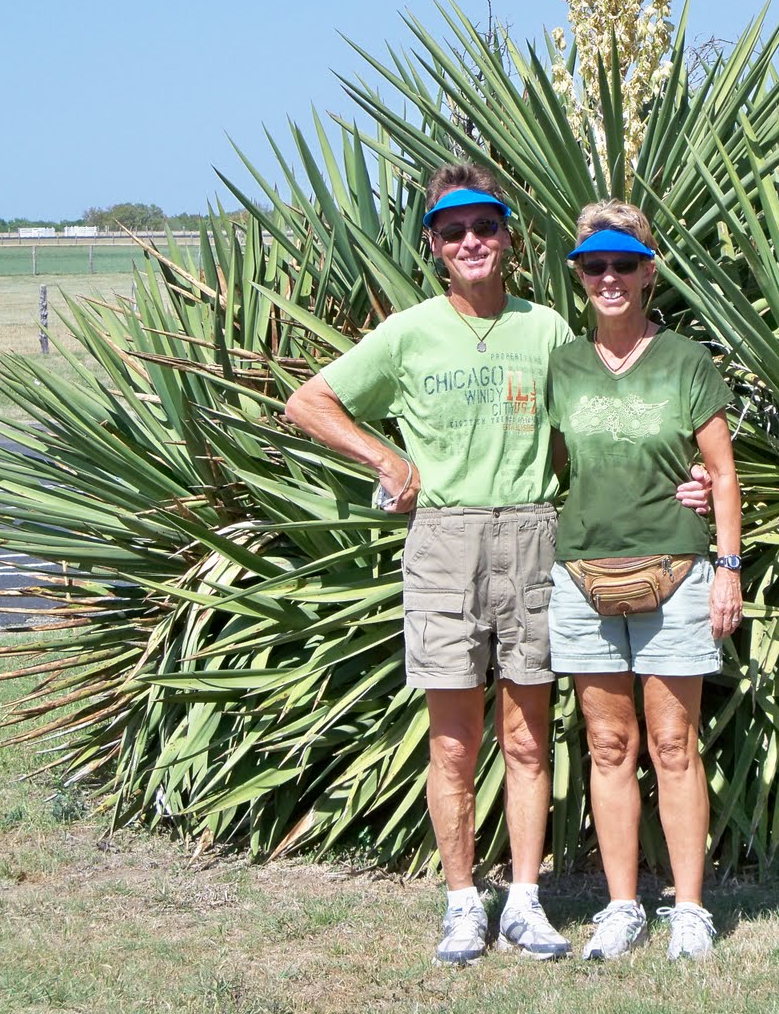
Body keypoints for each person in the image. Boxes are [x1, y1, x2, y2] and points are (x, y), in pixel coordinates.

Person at [284, 164, 709, 966]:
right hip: (445, 539)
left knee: (526, 737)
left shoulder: (545, 329)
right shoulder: (409, 332)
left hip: (535, 533)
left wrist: (685, 476)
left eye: (485, 226)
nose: (471, 241)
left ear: (508, 238)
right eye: (453, 231)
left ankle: (524, 900)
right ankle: (460, 904)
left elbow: (604, 415)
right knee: (453, 742)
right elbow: (308, 401)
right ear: (434, 246)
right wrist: (386, 459)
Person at [545, 199, 744, 962]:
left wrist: (728, 568)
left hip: (678, 568)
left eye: (623, 263)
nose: (609, 277)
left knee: (672, 742)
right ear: (579, 275)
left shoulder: (687, 362)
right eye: (593, 265)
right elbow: (548, 465)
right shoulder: (563, 365)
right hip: (583, 573)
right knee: (607, 744)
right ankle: (622, 905)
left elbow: (723, 474)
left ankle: (689, 909)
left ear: (647, 271)